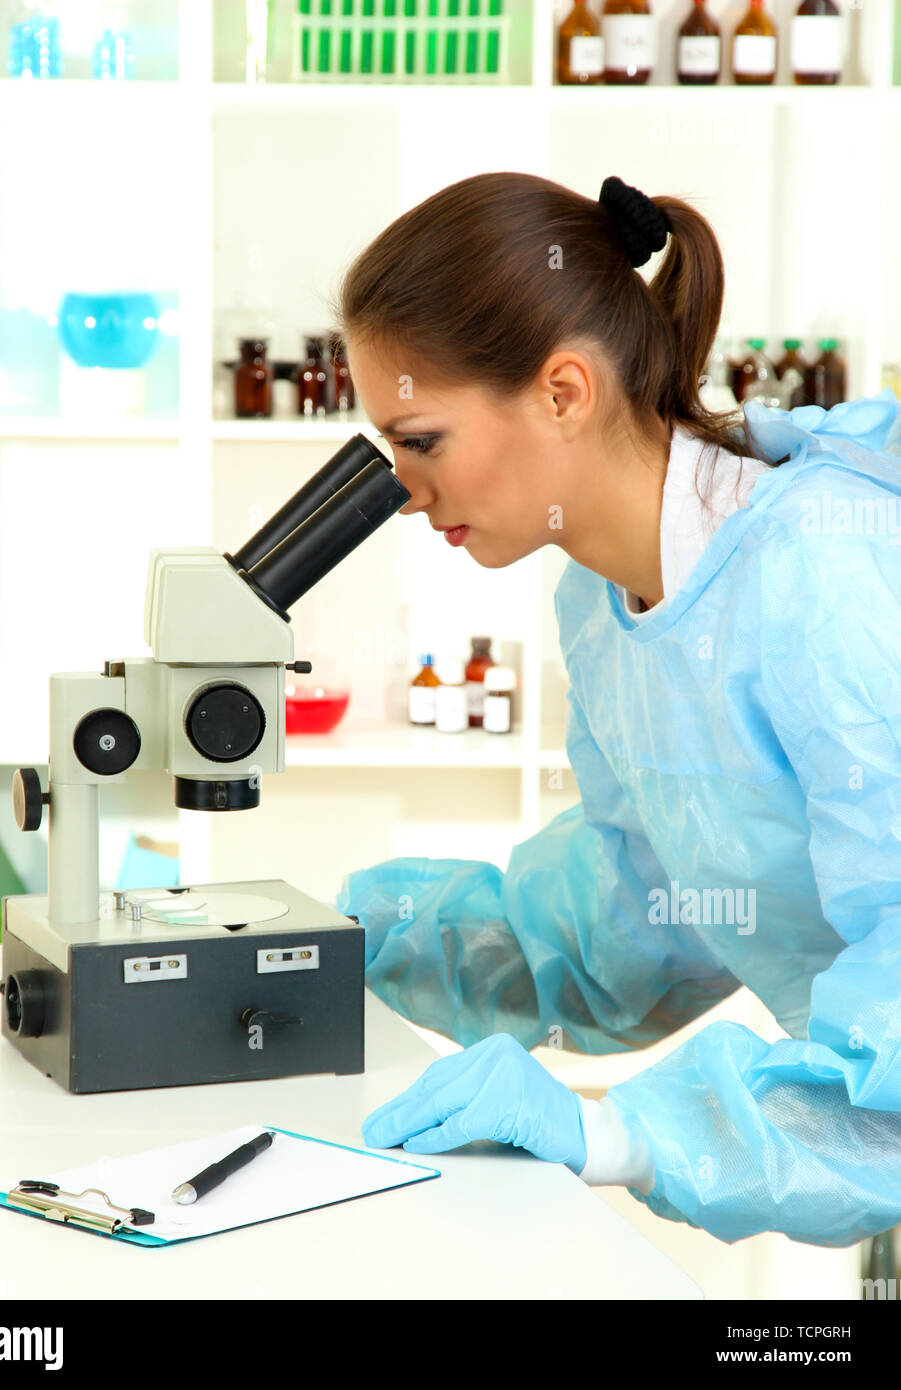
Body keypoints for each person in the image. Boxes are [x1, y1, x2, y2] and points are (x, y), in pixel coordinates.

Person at [329, 171, 901, 1248]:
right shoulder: (600, 597)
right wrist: (346, 937)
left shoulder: (821, 574)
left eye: (421, 439)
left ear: (561, 391)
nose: (401, 489)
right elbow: (645, 915)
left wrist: (616, 1135)